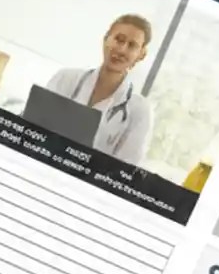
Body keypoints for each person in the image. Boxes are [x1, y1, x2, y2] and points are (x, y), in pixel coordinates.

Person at [42, 14, 156, 165]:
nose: (122, 50)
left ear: (141, 54)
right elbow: (34, 129)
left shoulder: (139, 111)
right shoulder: (65, 79)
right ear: (106, 39)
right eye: (119, 39)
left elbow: (125, 168)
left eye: (132, 45)